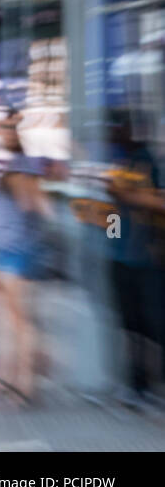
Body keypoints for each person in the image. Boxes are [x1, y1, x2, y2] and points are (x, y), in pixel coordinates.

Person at [0, 109, 51, 406]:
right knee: (4, 319)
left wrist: (30, 196)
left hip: (18, 251)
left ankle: (25, 384)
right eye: (3, 127)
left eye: (12, 127)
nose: (6, 132)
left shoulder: (24, 165)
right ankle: (6, 375)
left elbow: (38, 205)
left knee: (21, 321)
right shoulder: (7, 164)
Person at [106, 115, 162, 407]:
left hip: (146, 260)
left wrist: (127, 196)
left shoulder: (146, 159)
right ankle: (136, 385)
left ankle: (150, 386)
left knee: (152, 324)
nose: (114, 134)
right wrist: (111, 225)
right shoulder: (119, 162)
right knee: (130, 327)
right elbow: (114, 217)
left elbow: (159, 202)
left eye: (118, 128)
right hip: (122, 259)